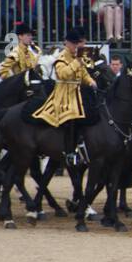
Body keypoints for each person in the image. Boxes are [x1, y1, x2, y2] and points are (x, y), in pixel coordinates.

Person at [28, 28, 98, 169]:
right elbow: (63, 74)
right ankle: (70, 151)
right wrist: (76, 62)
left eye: (77, 43)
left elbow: (83, 73)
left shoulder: (77, 56)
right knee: (71, 115)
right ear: (67, 43)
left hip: (76, 92)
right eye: (74, 44)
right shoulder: (61, 58)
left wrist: (91, 81)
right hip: (63, 94)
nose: (76, 46)